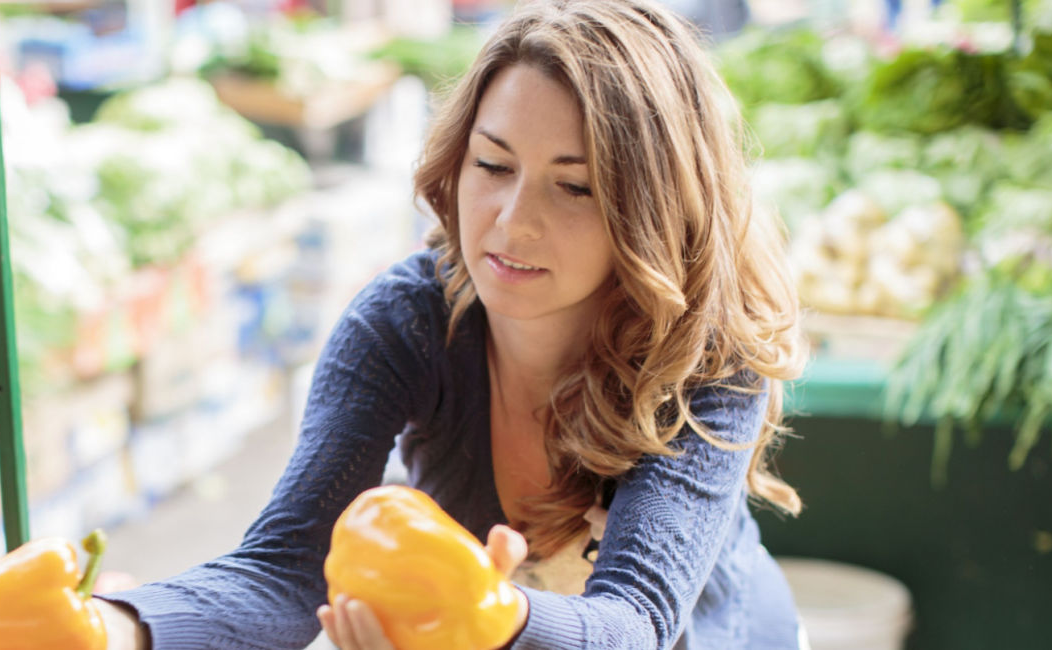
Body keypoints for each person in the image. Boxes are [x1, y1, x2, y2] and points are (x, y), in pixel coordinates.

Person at [97, 0, 808, 647]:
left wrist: (484, 613)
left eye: (574, 187)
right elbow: (286, 569)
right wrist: (110, 627)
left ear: (653, 206)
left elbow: (636, 623)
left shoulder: (709, 354)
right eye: (493, 164)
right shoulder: (407, 322)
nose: (511, 222)